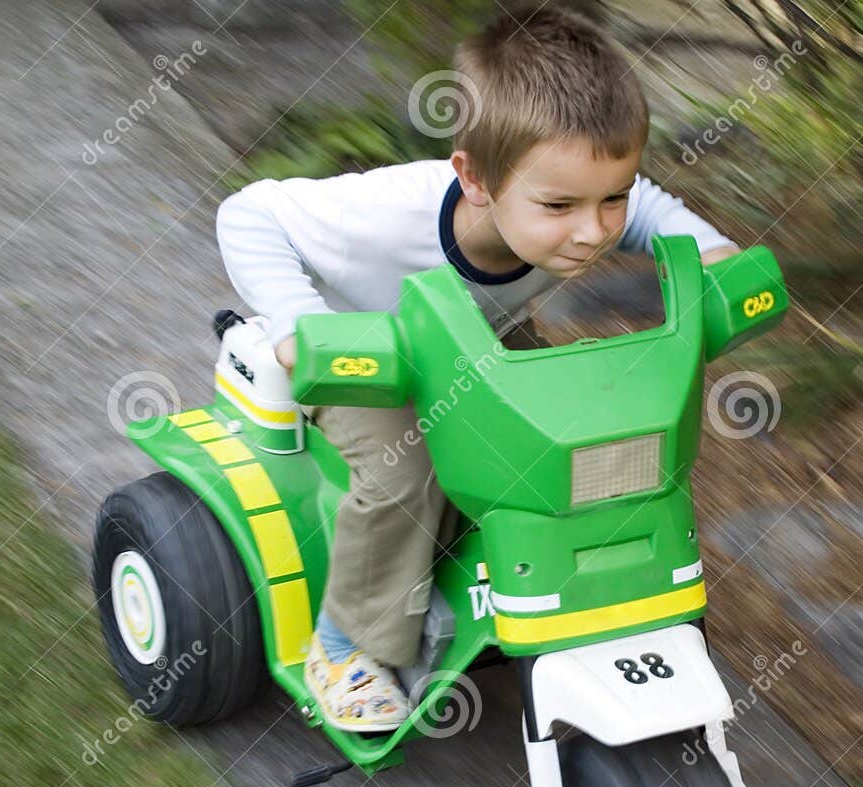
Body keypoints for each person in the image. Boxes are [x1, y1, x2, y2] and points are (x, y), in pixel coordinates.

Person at [215, 6, 739, 732]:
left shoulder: (579, 196)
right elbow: (249, 215)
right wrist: (302, 326)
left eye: (608, 197)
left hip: (479, 348)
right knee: (411, 470)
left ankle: (576, 586)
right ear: (477, 178)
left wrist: (712, 257)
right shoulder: (382, 215)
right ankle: (347, 645)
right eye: (560, 205)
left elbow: (650, 208)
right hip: (368, 361)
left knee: (581, 435)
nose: (595, 231)